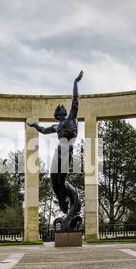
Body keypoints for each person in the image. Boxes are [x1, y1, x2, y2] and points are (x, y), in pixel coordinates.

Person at [27, 71, 84, 232]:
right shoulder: (56, 126)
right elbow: (44, 130)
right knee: (53, 179)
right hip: (58, 151)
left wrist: (75, 82)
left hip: (67, 150)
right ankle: (63, 203)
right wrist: (35, 126)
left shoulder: (72, 118)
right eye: (57, 113)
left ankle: (69, 205)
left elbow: (75, 101)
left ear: (64, 113)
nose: (59, 114)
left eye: (61, 112)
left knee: (61, 181)